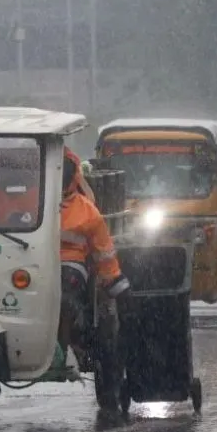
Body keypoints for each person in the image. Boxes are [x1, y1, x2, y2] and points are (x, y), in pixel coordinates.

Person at [58, 148, 131, 356]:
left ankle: (64, 345)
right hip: (28, 264)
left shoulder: (87, 210)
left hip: (69, 265)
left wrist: (117, 284)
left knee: (65, 297)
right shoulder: (26, 201)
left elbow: (103, 253)